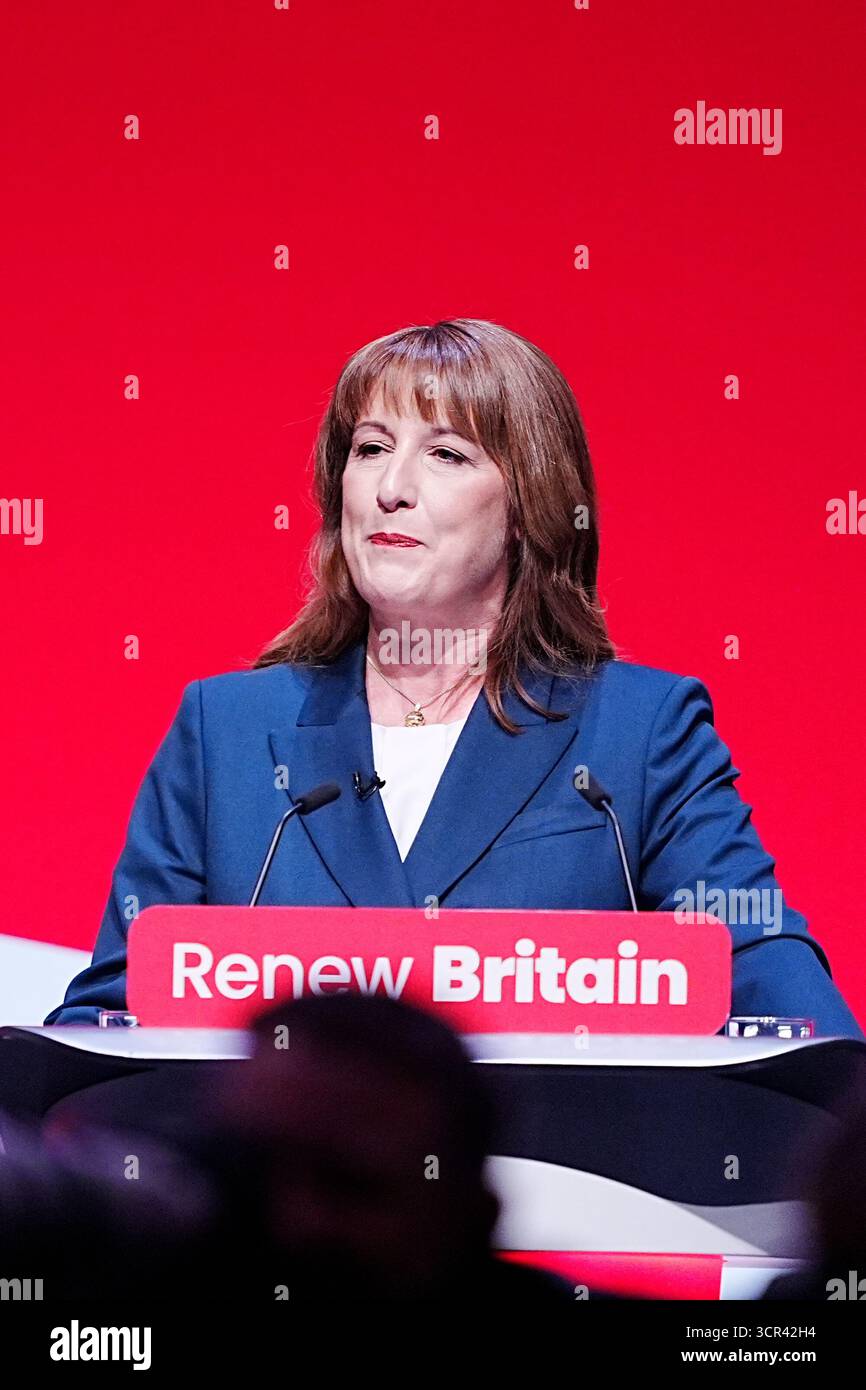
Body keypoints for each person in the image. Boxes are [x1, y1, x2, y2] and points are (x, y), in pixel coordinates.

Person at [44, 318, 862, 1036]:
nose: (392, 489)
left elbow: (770, 986)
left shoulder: (638, 732)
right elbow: (116, 1012)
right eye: (370, 449)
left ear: (529, 507)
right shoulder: (222, 731)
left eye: (445, 453)